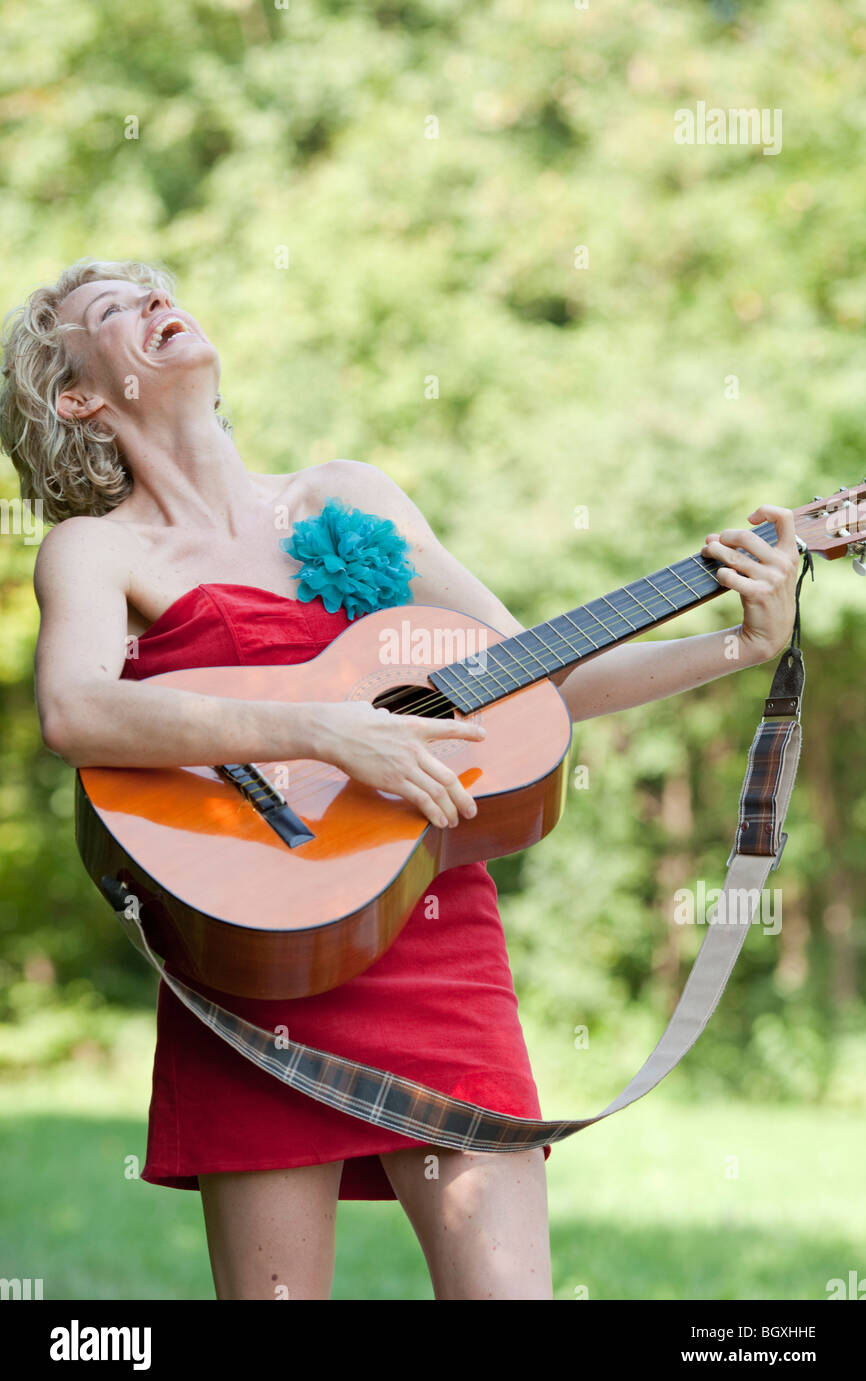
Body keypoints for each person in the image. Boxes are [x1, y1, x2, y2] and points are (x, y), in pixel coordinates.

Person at [0, 258, 799, 1301]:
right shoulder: (94, 552)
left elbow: (539, 676)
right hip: (252, 949)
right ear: (78, 397)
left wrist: (737, 646)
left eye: (157, 284)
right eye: (112, 306)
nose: (154, 298)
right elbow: (78, 709)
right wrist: (331, 732)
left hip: (430, 930)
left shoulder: (346, 495)